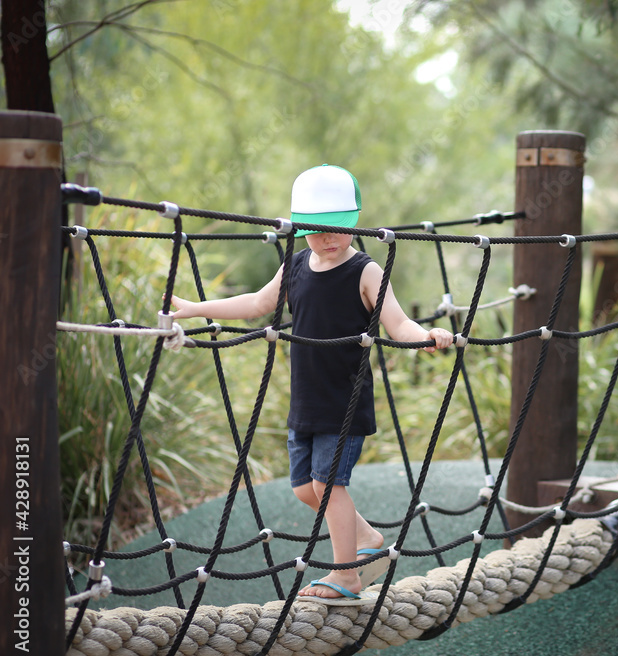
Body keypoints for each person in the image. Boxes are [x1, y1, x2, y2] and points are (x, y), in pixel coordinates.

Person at [169, 165, 453, 603]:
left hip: (344, 400)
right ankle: (366, 536)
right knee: (305, 487)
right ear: (300, 227)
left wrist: (427, 338)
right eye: (316, 230)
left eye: (337, 228)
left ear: (354, 220)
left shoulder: (366, 271)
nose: (327, 238)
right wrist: (193, 308)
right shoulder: (296, 265)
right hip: (306, 399)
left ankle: (347, 575)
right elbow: (256, 304)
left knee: (327, 487)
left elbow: (398, 322)